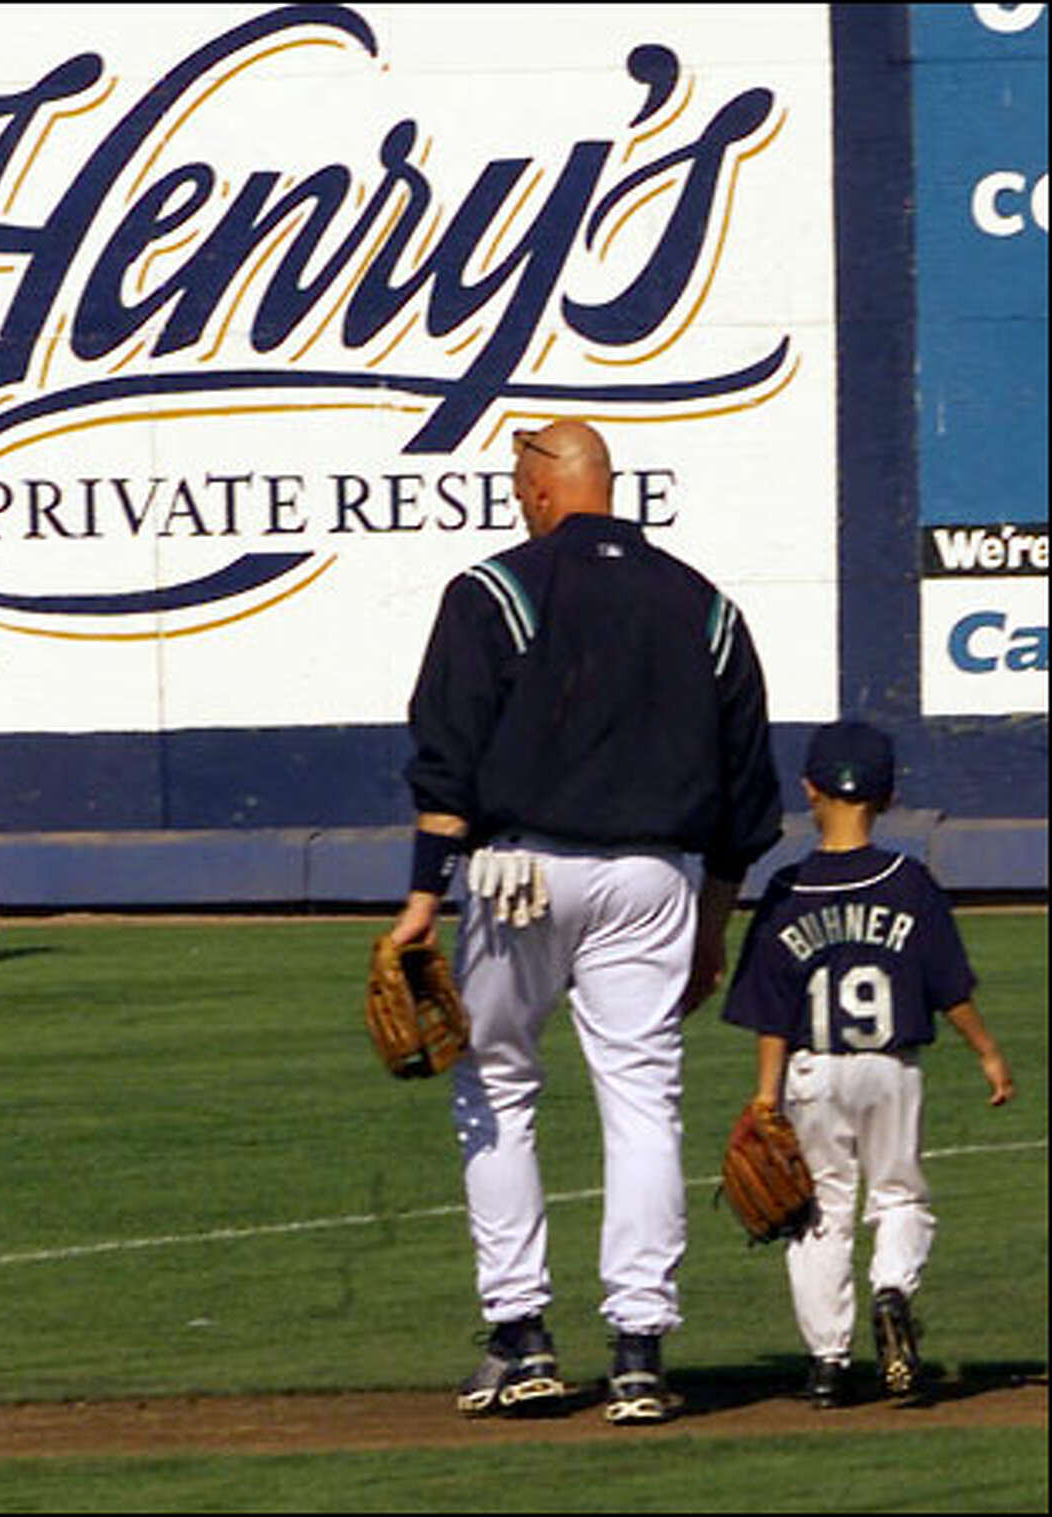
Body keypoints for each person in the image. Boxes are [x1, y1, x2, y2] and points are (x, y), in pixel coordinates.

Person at [389, 419, 782, 1423]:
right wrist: (713, 922)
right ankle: (642, 1349)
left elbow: (449, 755)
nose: (519, 502)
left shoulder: (493, 591)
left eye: (522, 486)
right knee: (643, 1100)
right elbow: (746, 794)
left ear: (543, 492)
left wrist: (424, 899)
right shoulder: (708, 606)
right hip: (657, 878)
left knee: (497, 1084)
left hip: (520, 867)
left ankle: (521, 1337)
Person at [722, 719, 1015, 1408]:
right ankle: (892, 1288)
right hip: (890, 1066)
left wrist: (765, 1096)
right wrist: (989, 1053)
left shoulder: (789, 888)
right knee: (900, 1195)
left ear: (810, 790)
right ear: (886, 797)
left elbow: (773, 1011)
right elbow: (951, 989)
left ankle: (827, 1364)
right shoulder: (909, 882)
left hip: (812, 1070)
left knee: (818, 1210)